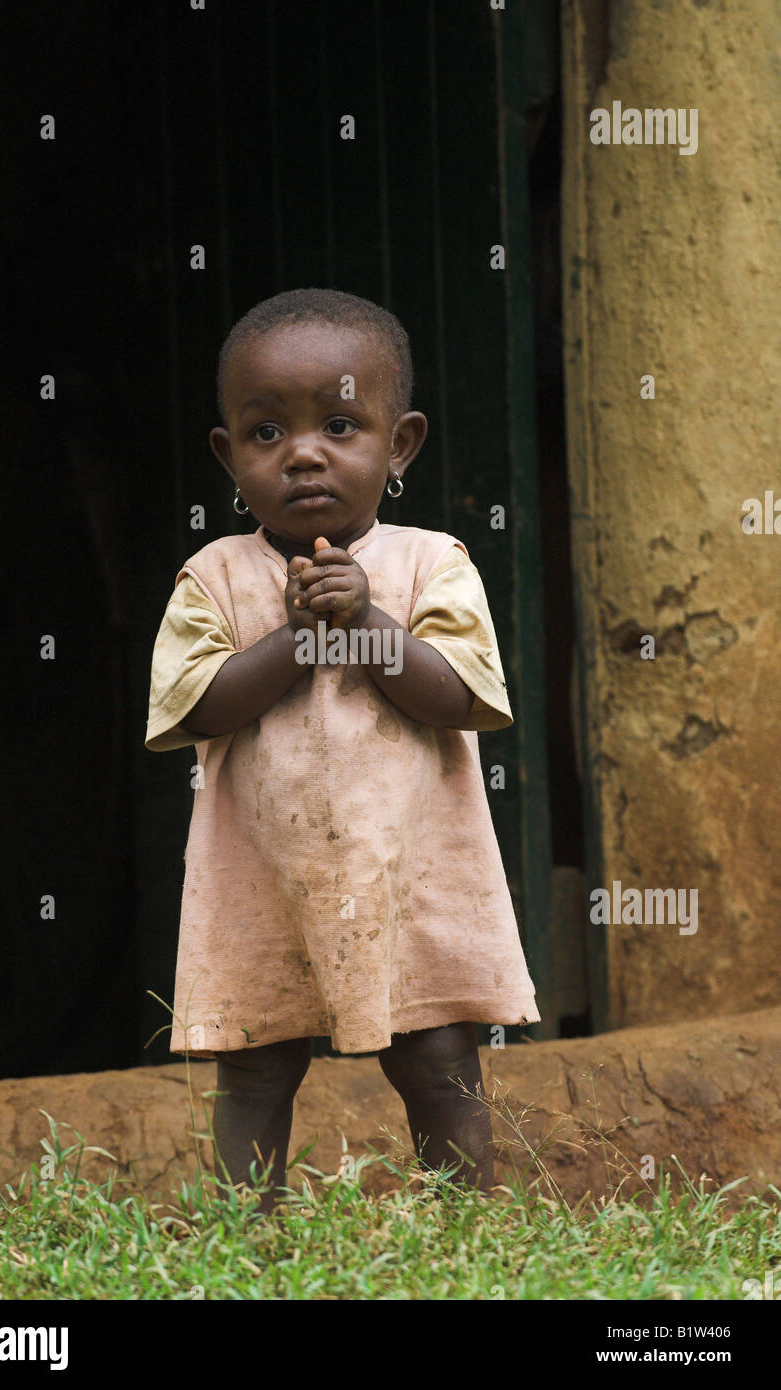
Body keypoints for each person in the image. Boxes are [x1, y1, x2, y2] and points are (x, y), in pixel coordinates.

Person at [145, 288, 540, 1212]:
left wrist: (366, 618)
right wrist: (292, 638)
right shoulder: (215, 579)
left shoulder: (431, 565)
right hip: (260, 880)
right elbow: (194, 708)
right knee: (254, 1068)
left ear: (398, 445)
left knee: (440, 1063)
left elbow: (464, 698)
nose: (304, 452)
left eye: (338, 424)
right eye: (266, 433)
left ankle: (464, 1232)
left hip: (412, 875)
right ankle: (251, 1233)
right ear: (228, 454)